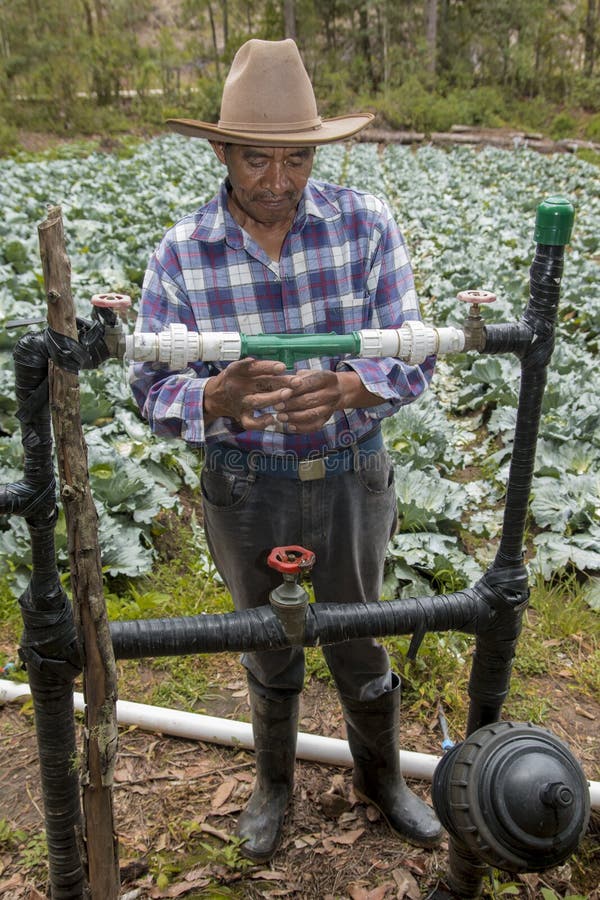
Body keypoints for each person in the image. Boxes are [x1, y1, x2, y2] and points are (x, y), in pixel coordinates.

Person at [131, 37, 441, 863]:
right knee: (266, 640)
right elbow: (145, 388)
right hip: (244, 485)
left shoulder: (365, 225)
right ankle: (274, 785)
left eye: (297, 159)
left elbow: (417, 350)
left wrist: (353, 388)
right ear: (221, 151)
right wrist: (214, 397)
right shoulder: (182, 253)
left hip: (349, 475)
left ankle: (383, 777)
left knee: (359, 634)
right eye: (257, 159)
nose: (278, 181)